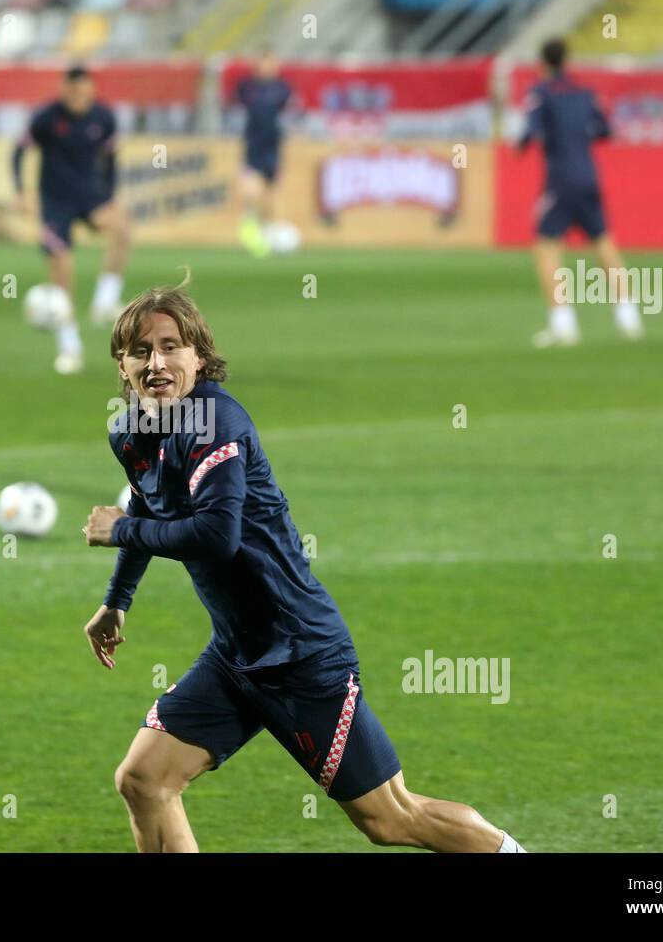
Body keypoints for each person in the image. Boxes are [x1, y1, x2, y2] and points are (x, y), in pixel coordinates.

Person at [80, 274, 526, 853]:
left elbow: (218, 534)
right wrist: (117, 600)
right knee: (143, 780)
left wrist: (120, 531)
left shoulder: (217, 421)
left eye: (171, 346)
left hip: (300, 651)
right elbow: (149, 499)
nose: (157, 362)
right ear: (122, 365)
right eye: (140, 351)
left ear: (199, 356)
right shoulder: (131, 430)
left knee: (390, 820)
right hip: (236, 656)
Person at [520, 37, 643, 348]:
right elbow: (605, 130)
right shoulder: (586, 93)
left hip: (560, 179)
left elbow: (530, 133)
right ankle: (629, 318)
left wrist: (521, 145)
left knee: (546, 247)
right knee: (604, 244)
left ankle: (563, 324)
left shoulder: (540, 94)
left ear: (543, 63)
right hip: (589, 176)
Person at [12, 65, 130, 375]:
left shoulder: (104, 118)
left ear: (91, 90)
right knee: (63, 270)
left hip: (90, 197)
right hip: (55, 203)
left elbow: (112, 159)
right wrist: (20, 191)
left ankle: (105, 302)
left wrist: (109, 194)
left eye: (83, 90)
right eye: (72, 90)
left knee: (122, 227)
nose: (78, 96)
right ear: (64, 89)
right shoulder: (47, 118)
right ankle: (70, 348)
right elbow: (18, 152)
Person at [233, 50, 292, 258]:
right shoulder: (247, 86)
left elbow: (286, 113)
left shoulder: (282, 88)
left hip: (272, 147)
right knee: (252, 191)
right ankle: (249, 228)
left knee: (269, 194)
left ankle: (267, 232)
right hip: (253, 147)